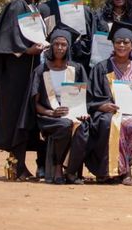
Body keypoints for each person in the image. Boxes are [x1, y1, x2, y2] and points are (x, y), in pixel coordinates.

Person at [0, 0, 49, 180]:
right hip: (15, 74)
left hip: (28, 70)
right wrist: (26, 49)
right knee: (16, 116)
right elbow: (5, 37)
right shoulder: (16, 6)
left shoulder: (33, 7)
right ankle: (16, 166)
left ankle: (20, 165)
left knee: (25, 117)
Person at [86, 21, 132, 184]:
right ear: (113, 44)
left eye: (126, 42)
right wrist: (102, 106)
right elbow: (92, 97)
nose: (122, 45)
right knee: (112, 123)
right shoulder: (101, 68)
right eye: (118, 42)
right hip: (108, 114)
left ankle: (122, 167)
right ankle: (124, 172)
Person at [30, 26, 91, 184]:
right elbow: (35, 104)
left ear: (68, 47)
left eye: (63, 45)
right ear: (51, 46)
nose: (59, 47)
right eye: (56, 44)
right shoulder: (41, 70)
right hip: (47, 116)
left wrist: (83, 111)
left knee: (83, 128)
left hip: (71, 113)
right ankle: (58, 167)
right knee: (65, 125)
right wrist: (51, 113)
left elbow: (84, 97)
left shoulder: (76, 69)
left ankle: (71, 172)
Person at [38, 0, 95, 72]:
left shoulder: (84, 11)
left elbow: (90, 41)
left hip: (77, 65)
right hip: (50, 66)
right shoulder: (44, 9)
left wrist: (77, 44)